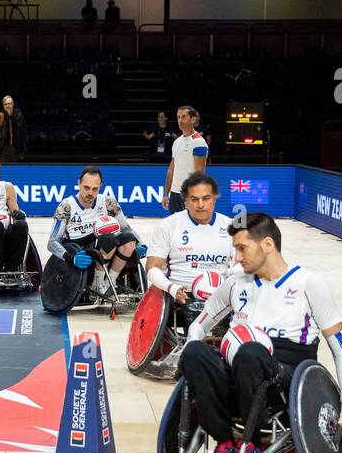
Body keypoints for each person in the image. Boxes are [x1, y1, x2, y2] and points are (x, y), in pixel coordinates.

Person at [180, 213, 342, 453]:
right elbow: (198, 326)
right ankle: (225, 443)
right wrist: (191, 345)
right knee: (195, 353)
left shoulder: (309, 284)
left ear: (268, 245)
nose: (237, 258)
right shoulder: (234, 284)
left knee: (251, 353)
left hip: (283, 376)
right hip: (237, 367)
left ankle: (250, 446)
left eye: (242, 248)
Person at [48, 165, 143, 298]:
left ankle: (109, 282)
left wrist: (140, 244)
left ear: (101, 186)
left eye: (95, 189)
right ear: (79, 184)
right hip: (80, 250)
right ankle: (97, 284)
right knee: (109, 238)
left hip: (105, 245)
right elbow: (52, 243)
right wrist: (71, 258)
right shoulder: (66, 206)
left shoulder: (108, 202)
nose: (90, 193)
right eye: (86, 188)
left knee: (129, 239)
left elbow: (126, 228)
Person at [145, 172, 235, 306]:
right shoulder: (169, 225)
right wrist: (171, 288)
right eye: (194, 199)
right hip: (179, 296)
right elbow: (152, 267)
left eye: (206, 198)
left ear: (215, 199)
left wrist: (231, 276)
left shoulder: (231, 227)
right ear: (185, 202)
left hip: (220, 297)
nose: (200, 204)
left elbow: (245, 265)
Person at [163, 105, 208, 214]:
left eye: (184, 117)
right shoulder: (177, 142)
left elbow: (199, 173)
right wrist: (166, 194)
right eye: (178, 117)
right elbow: (171, 170)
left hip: (188, 194)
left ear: (193, 119)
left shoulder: (199, 142)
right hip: (174, 195)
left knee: (191, 230)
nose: (180, 120)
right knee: (175, 230)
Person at [0, 96, 26, 164]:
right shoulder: (0, 116)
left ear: (13, 104)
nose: (8, 105)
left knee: (15, 172)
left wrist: (23, 150)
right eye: (6, 104)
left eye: (9, 103)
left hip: (16, 149)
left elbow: (23, 133)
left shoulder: (19, 116)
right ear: (3, 105)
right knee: (4, 171)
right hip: (3, 149)